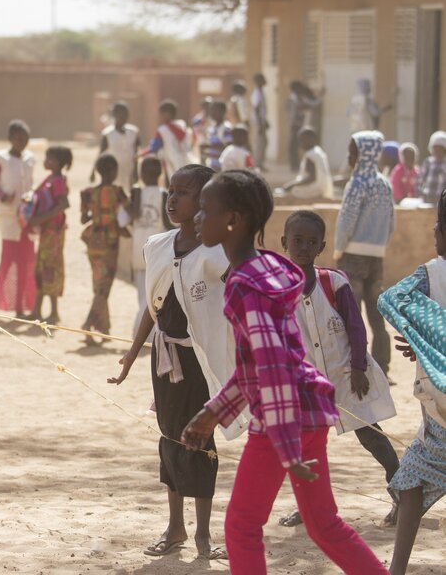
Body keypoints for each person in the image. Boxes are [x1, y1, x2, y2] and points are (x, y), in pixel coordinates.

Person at [181, 169, 388, 575]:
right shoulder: (269, 268)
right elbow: (257, 363)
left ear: (232, 220)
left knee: (241, 526)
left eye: (205, 209)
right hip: (310, 409)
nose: (197, 218)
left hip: (284, 419)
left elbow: (272, 363)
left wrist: (286, 445)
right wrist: (214, 412)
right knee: (325, 525)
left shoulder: (245, 284)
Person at [110, 164, 243, 561]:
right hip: (164, 358)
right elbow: (153, 309)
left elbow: (242, 295)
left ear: (205, 202)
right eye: (171, 191)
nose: (172, 199)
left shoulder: (217, 254)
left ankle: (203, 533)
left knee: (199, 441)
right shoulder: (157, 246)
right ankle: (175, 526)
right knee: (169, 438)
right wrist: (133, 353)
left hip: (200, 362)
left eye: (184, 193)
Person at [277, 210, 399, 528]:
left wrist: (358, 367)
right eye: (297, 240)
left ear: (321, 247)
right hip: (307, 384)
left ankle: (402, 492)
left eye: (312, 242)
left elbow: (356, 327)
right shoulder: (277, 289)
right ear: (284, 243)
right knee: (306, 446)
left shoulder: (334, 282)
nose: (304, 247)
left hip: (346, 375)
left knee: (370, 435)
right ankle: (308, 506)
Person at [378, 190, 446, 575]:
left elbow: (392, 299)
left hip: (441, 407)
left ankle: (397, 569)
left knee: (412, 482)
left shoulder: (431, 274)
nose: (434, 232)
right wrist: (423, 339)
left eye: (438, 225)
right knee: (412, 480)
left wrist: (423, 335)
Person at [335, 131, 395, 382]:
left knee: (351, 314)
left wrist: (338, 250)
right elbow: (391, 222)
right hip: (376, 257)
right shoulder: (384, 183)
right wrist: (379, 247)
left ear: (363, 154)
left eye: (352, 153)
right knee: (376, 314)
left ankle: (355, 365)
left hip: (353, 255)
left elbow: (346, 221)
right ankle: (382, 368)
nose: (349, 158)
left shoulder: (357, 183)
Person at [0, 120, 36, 318]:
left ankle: (20, 307)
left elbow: (31, 185)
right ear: (10, 139)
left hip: (27, 218)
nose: (21, 142)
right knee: (7, 261)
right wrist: (3, 196)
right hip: (8, 217)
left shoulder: (30, 159)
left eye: (25, 139)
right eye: (18, 138)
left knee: (26, 262)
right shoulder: (1, 159)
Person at [80, 154, 129, 344]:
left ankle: (104, 328)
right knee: (104, 286)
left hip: (93, 240)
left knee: (98, 282)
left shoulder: (88, 192)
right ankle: (88, 323)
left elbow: (84, 219)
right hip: (110, 241)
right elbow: (128, 211)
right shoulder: (117, 192)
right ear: (113, 171)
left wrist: (97, 213)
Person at [126, 156, 172, 334]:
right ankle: (145, 334)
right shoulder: (164, 195)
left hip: (138, 251)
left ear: (141, 174)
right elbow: (168, 224)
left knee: (142, 296)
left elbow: (126, 220)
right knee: (154, 296)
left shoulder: (137, 194)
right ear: (160, 174)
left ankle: (140, 333)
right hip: (158, 254)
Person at [28, 146, 72, 325]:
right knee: (41, 267)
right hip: (47, 232)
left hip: (54, 232)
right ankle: (37, 310)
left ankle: (53, 312)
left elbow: (64, 204)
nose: (45, 161)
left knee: (50, 268)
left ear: (59, 163)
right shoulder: (50, 179)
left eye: (49, 159)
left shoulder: (58, 181)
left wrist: (41, 218)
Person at [278, 127, 334, 200]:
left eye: (302, 140)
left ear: (311, 139)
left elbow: (311, 178)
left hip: (315, 190)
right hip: (323, 188)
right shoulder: (319, 151)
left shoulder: (310, 155)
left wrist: (291, 185)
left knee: (285, 191)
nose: (300, 143)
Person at [98, 101, 141, 192]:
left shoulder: (134, 132)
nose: (123, 117)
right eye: (121, 115)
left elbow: (136, 153)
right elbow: (101, 154)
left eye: (125, 115)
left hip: (129, 170)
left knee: (129, 193)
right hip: (113, 172)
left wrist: (136, 171)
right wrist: (94, 171)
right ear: (115, 115)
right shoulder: (107, 133)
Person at [144, 99, 191, 178]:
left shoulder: (163, 130)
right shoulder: (182, 125)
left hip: (172, 166)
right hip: (186, 163)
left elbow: (154, 148)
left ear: (167, 114)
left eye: (161, 114)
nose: (159, 117)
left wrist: (140, 154)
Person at [201, 101, 232, 172]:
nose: (212, 113)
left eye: (215, 110)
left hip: (223, 168)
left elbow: (229, 148)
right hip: (213, 167)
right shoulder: (212, 128)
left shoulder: (226, 128)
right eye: (211, 110)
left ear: (222, 112)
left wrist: (210, 146)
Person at [418, 130, 446, 204]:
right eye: (435, 148)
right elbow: (420, 181)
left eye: (440, 148)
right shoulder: (428, 162)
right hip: (428, 200)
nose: (437, 151)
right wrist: (422, 193)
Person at [252, 73, 269, 171]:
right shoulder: (257, 93)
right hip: (259, 122)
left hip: (261, 121)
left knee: (264, 142)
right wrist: (259, 124)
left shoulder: (261, 92)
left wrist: (265, 121)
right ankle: (258, 164)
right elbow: (256, 109)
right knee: (260, 143)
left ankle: (260, 163)